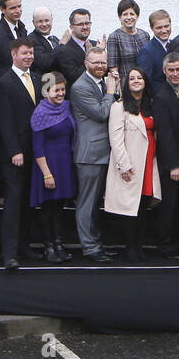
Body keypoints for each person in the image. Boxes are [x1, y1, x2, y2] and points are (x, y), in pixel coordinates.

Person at [0, 37, 43, 268]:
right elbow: (5, 121)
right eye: (24, 53)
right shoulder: (4, 82)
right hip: (15, 153)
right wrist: (14, 150)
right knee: (13, 202)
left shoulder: (36, 78)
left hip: (35, 150)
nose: (29, 57)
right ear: (14, 55)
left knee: (28, 202)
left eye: (31, 53)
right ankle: (9, 253)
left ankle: (25, 245)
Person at [105, 68, 161, 262]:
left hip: (149, 163)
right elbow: (116, 139)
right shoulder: (118, 107)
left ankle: (139, 245)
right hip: (131, 163)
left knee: (143, 206)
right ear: (126, 83)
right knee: (130, 208)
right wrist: (124, 165)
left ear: (145, 81)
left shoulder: (151, 105)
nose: (136, 81)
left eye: (140, 78)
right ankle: (130, 247)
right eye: (132, 78)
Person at [69, 46, 118, 263]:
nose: (100, 66)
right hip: (90, 154)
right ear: (85, 63)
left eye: (102, 62)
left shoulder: (103, 82)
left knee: (96, 203)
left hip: (104, 153)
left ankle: (97, 243)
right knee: (87, 203)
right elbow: (101, 113)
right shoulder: (80, 87)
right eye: (95, 62)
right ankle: (89, 248)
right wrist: (110, 92)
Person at [30, 71, 78, 263]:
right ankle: (48, 246)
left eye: (63, 90)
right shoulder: (40, 112)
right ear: (46, 91)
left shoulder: (67, 107)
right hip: (47, 165)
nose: (60, 93)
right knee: (48, 207)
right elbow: (37, 146)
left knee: (59, 207)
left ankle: (59, 244)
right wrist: (46, 174)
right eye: (56, 90)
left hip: (65, 163)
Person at [153, 52, 179, 260]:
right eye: (171, 70)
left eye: (178, 69)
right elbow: (165, 133)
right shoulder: (161, 96)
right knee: (169, 205)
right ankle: (166, 245)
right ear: (164, 71)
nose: (175, 73)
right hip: (172, 162)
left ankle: (178, 243)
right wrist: (173, 165)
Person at [106, 0, 151, 78]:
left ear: (137, 16)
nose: (129, 17)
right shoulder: (114, 37)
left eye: (132, 14)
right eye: (125, 14)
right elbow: (113, 68)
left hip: (145, 81)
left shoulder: (144, 35)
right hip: (126, 84)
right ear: (120, 17)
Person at [54, 8, 98, 88]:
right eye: (80, 24)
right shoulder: (64, 50)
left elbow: (102, 72)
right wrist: (89, 57)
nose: (85, 27)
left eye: (87, 23)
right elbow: (73, 77)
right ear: (72, 27)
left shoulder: (95, 45)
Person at [136, 9, 175, 81]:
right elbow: (146, 80)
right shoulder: (146, 51)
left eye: (166, 26)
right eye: (159, 28)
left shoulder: (176, 44)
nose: (164, 31)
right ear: (152, 28)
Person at [29, 7, 60, 75]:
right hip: (45, 82)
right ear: (33, 22)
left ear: (52, 20)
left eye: (47, 20)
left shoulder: (55, 39)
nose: (44, 24)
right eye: (40, 21)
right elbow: (44, 63)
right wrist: (61, 45)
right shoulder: (31, 40)